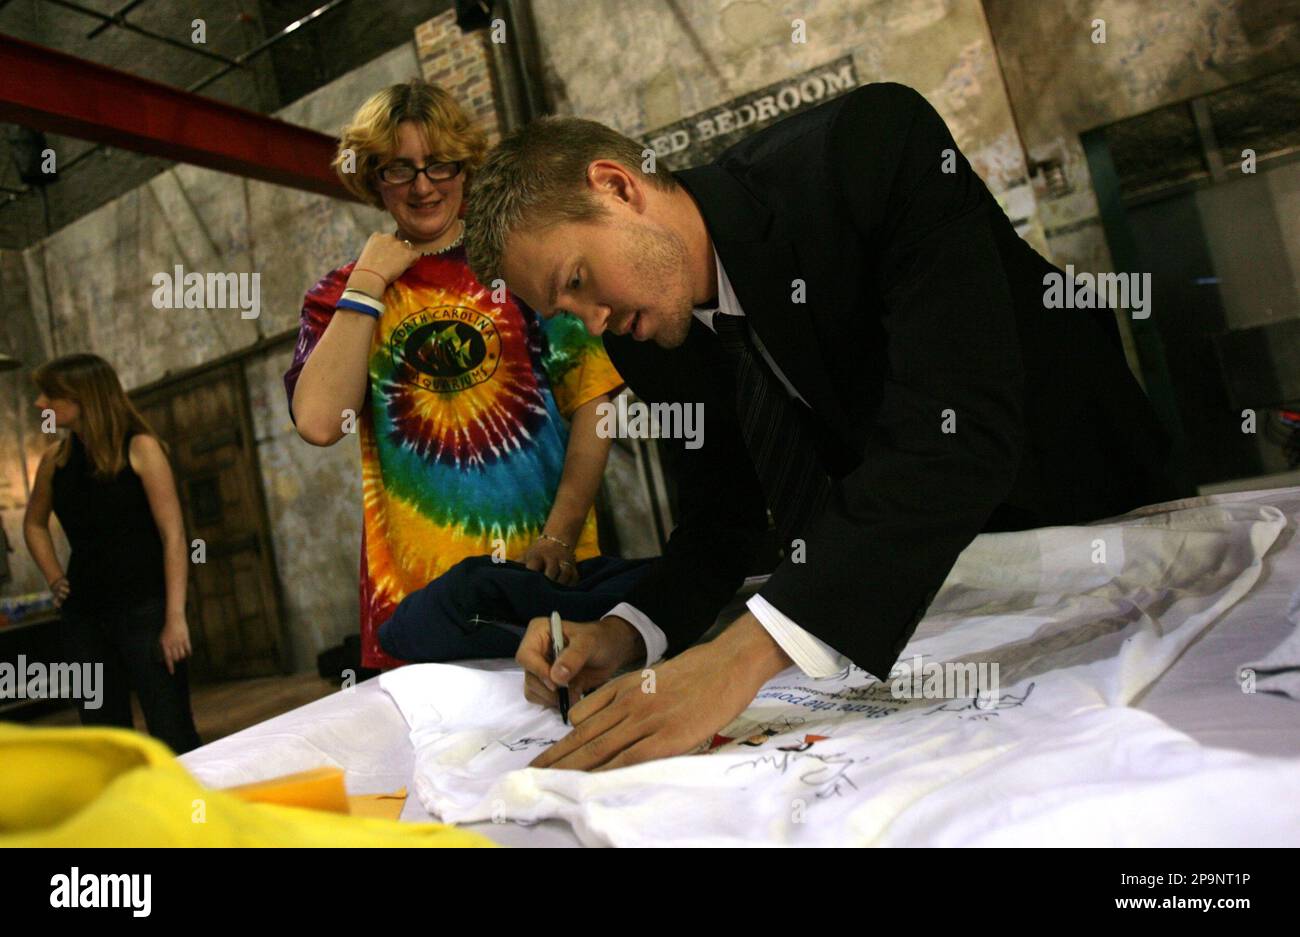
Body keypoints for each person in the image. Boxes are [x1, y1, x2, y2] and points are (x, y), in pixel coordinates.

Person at [463, 81, 1180, 770]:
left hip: (1103, 528)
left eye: (579, 280)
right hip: (944, 602)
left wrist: (742, 656)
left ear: (618, 186)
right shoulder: (643, 328)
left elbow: (954, 428)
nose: (591, 322)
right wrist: (626, 631)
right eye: (564, 312)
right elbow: (722, 521)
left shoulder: (868, 149)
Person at [285, 79, 628, 669]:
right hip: (417, 604)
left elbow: (595, 402)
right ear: (372, 179)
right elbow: (318, 422)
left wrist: (560, 536)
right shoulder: (341, 294)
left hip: (543, 572)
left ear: (466, 167)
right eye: (399, 169)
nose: (423, 186)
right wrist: (368, 285)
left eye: (440, 164)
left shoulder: (519, 262)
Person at [23, 353, 201, 754]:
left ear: (82, 396)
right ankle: (125, 814)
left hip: (146, 610)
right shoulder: (55, 460)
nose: (39, 404)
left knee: (172, 730)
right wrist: (54, 577)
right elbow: (33, 524)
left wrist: (175, 618)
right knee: (104, 735)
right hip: (84, 615)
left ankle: (194, 813)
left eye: (49, 395)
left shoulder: (141, 448)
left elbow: (174, 536)